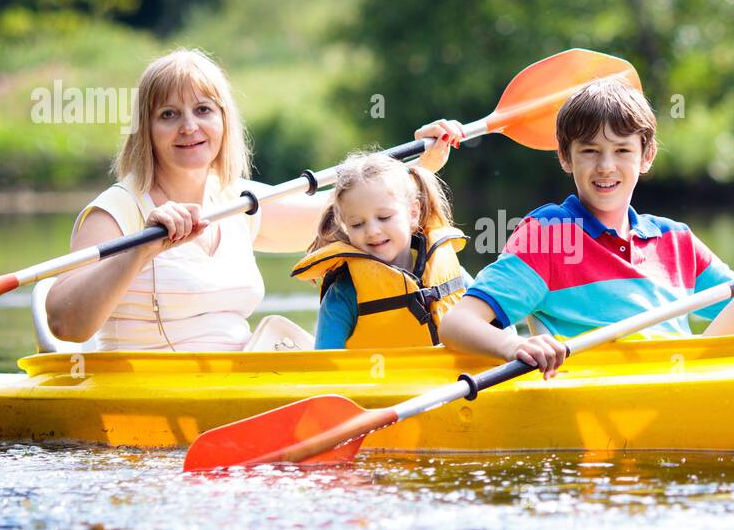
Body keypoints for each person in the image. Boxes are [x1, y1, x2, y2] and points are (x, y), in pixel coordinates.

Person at [438, 77, 734, 377]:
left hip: (690, 369)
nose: (606, 166)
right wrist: (513, 346)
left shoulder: (672, 237)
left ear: (647, 157)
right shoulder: (550, 235)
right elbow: (458, 323)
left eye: (622, 151)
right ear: (565, 158)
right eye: (589, 151)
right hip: (652, 382)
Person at [45, 48, 463, 351]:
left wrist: (419, 167)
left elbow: (354, 211)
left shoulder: (235, 200)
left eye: (203, 110)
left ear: (224, 120)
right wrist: (141, 251)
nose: (189, 127)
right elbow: (65, 324)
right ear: (146, 130)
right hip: (147, 389)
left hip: (237, 381)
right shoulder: (115, 211)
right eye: (168, 115)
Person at [290, 151, 472, 349]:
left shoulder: (454, 274)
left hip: (459, 378)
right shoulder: (343, 295)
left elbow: (494, 324)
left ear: (413, 213)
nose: (372, 231)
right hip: (376, 380)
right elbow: (326, 364)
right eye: (357, 224)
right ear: (345, 227)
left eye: (384, 217)